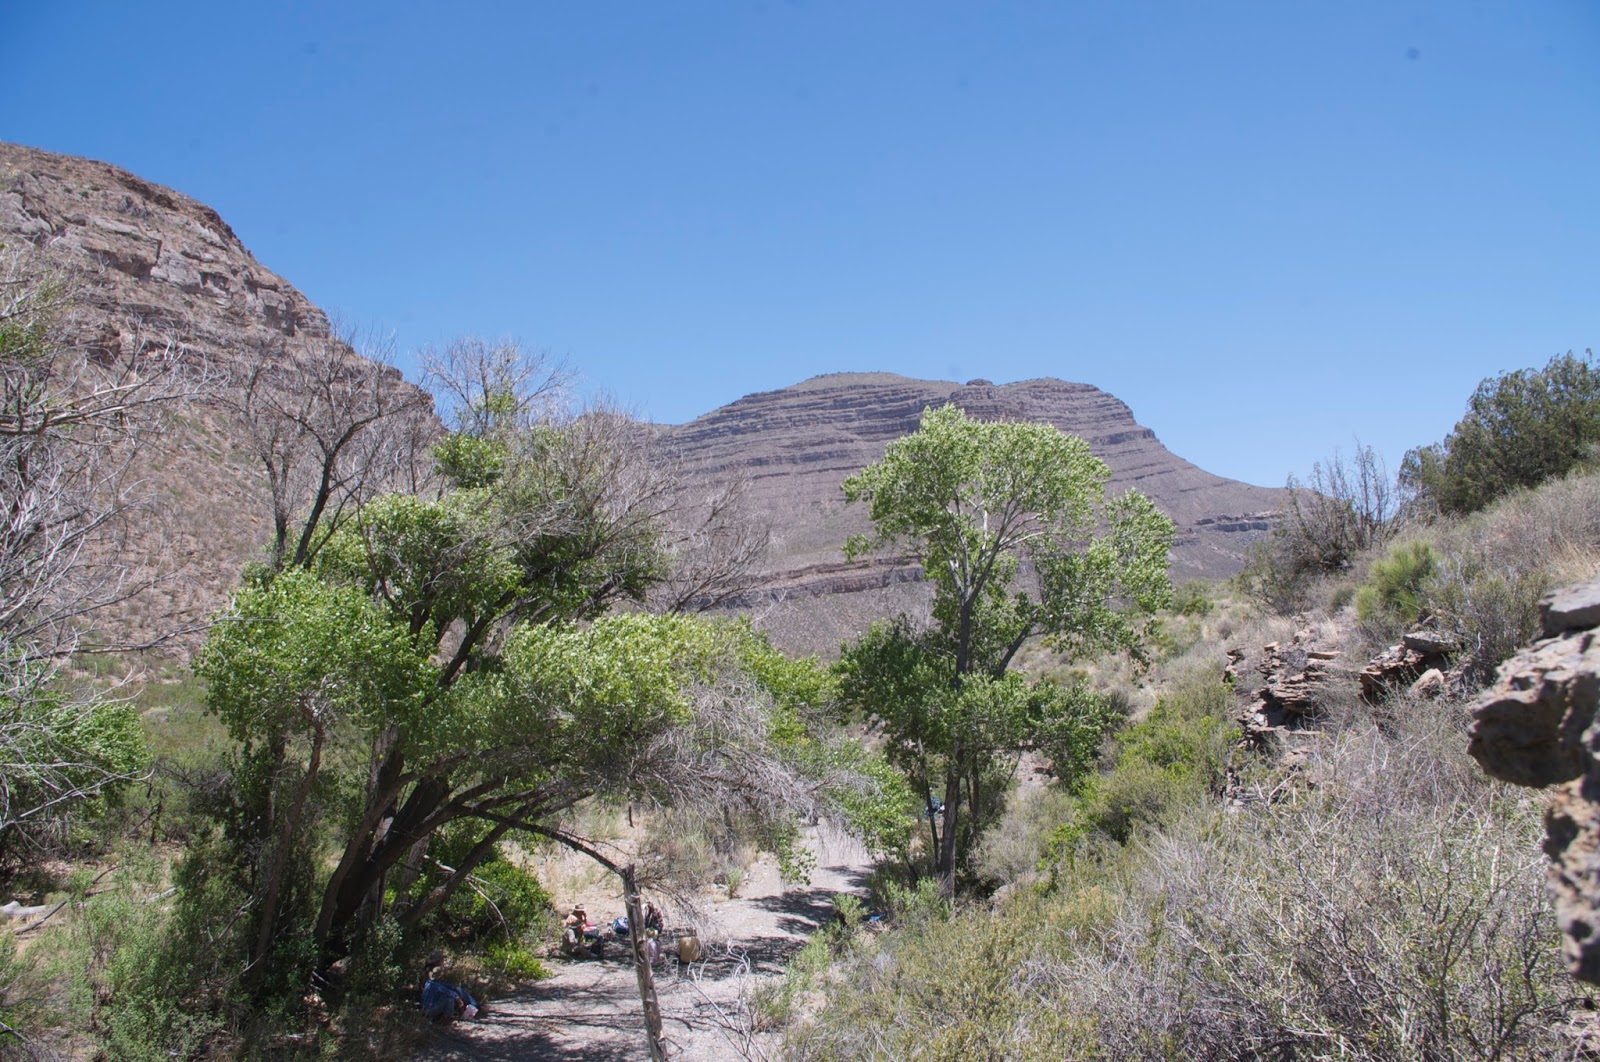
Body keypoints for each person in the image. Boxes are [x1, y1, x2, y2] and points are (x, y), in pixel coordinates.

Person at [420, 954, 479, 1021]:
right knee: (449, 999)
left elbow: (447, 987)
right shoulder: (433, 984)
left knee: (456, 989)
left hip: (431, 1006)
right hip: (429, 1010)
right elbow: (447, 992)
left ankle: (471, 1007)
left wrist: (455, 988)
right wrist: (458, 998)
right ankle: (448, 1019)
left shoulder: (432, 981)